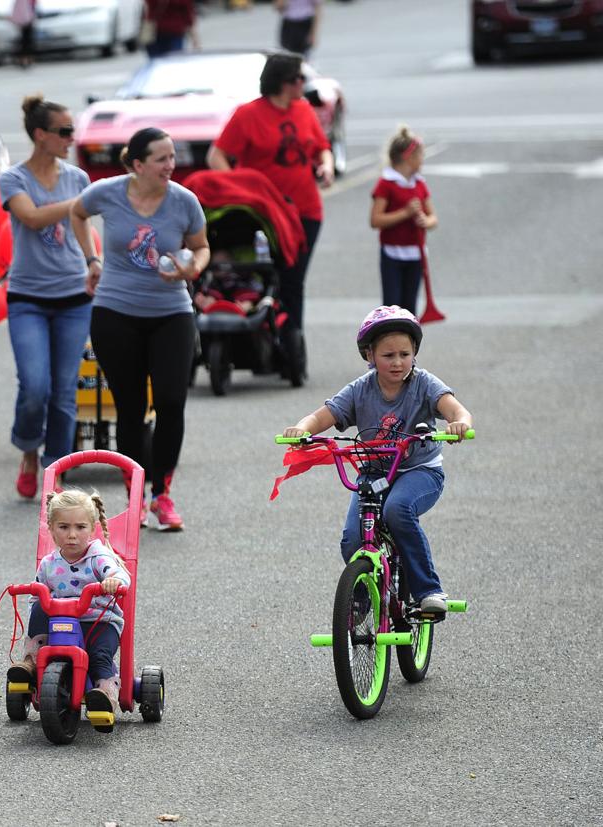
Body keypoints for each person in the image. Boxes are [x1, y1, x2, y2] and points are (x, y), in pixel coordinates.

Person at [281, 305, 473, 614]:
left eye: (405, 354)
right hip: (375, 474)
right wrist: (302, 429)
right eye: (388, 355)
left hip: (419, 471)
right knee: (352, 538)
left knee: (398, 511)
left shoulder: (424, 384)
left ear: (414, 353)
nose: (398, 362)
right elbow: (323, 416)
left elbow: (456, 409)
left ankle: (428, 590)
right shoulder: (360, 390)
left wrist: (459, 423)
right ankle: (362, 597)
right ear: (370, 356)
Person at [70, 127, 209, 532]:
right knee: (130, 409)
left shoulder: (184, 201)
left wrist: (193, 267)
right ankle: (137, 496)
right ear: (137, 165)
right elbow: (77, 213)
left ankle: (162, 494)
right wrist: (91, 261)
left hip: (171, 314)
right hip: (115, 313)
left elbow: (201, 245)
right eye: (162, 159)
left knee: (170, 402)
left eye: (172, 157)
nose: (171, 165)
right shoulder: (107, 192)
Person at [207, 51, 334, 372]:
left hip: (304, 209)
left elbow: (321, 148)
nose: (303, 84)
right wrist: (238, 186)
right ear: (282, 82)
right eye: (297, 79)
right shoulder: (248, 114)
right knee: (256, 273)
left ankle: (290, 345)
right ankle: (258, 339)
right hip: (263, 213)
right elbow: (217, 156)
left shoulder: (303, 110)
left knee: (292, 280)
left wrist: (327, 167)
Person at [0, 96, 92, 499]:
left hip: (74, 294)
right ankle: (28, 450)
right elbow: (32, 217)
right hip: (27, 298)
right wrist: (83, 203)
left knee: (64, 390)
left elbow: (83, 228)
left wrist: (93, 260)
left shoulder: (77, 178)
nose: (73, 139)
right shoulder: (13, 179)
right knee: (35, 386)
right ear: (41, 135)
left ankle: (55, 475)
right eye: (65, 131)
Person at [6, 489, 131, 716]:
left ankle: (104, 693)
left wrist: (113, 581)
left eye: (80, 527)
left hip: (98, 621)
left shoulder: (98, 557)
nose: (72, 535)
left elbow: (120, 575)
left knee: (99, 656)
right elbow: (36, 594)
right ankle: (32, 660)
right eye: (64, 527)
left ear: (92, 529)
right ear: (51, 530)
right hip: (61, 621)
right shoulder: (49, 563)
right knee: (39, 603)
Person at [370, 126, 437, 315]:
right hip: (392, 254)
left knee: (409, 308)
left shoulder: (419, 183)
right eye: (420, 156)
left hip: (416, 255)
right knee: (391, 308)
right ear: (409, 157)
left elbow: (433, 218)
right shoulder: (386, 184)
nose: (422, 160)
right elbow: (375, 220)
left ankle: (408, 344)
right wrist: (405, 213)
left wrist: (426, 221)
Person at [10, 0, 36, 69]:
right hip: (26, 22)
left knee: (27, 42)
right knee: (25, 42)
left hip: (26, 22)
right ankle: (25, 60)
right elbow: (22, 10)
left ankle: (27, 59)